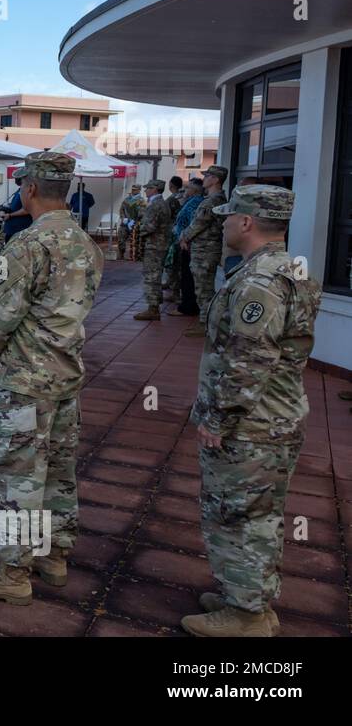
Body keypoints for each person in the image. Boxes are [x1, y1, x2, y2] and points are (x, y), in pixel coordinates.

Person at [0, 152, 104, 604]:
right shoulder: (86, 243)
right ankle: (54, 556)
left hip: (24, 382)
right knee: (58, 470)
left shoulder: (26, 246)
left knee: (14, 475)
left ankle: (12, 572)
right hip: (65, 376)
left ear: (31, 189)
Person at [182, 185, 320, 637]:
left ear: (246, 222)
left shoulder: (260, 282)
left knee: (239, 514)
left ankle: (245, 615)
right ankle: (249, 599)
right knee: (258, 513)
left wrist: (218, 419)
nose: (221, 223)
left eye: (228, 217)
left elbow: (248, 360)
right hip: (273, 418)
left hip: (253, 424)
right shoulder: (288, 271)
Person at [180, 165, 229, 338]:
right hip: (206, 249)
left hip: (205, 250)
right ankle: (208, 322)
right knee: (204, 288)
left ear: (215, 179)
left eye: (207, 176)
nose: (204, 179)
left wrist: (184, 237)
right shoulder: (218, 199)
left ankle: (206, 324)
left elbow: (198, 224)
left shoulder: (212, 201)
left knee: (203, 289)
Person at [133, 178, 172, 321]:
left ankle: (153, 308)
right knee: (155, 275)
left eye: (148, 188)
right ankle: (154, 305)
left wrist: (137, 228)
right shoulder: (161, 203)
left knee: (152, 276)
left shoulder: (155, 205)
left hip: (155, 245)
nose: (145, 190)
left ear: (155, 189)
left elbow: (149, 227)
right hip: (159, 244)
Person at [171, 180, 205, 317]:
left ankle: (187, 306)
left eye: (187, 188)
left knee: (188, 277)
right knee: (186, 275)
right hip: (184, 242)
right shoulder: (191, 201)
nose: (185, 190)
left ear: (195, 190)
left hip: (188, 244)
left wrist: (185, 239)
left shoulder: (195, 202)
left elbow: (193, 223)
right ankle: (187, 305)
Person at [0, 174, 32, 243]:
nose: (15, 179)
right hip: (11, 229)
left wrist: (10, 215)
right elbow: (15, 206)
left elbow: (27, 209)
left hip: (19, 230)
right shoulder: (19, 190)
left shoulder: (28, 190)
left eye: (17, 177)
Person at [118, 185, 145, 260]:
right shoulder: (127, 199)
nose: (133, 191)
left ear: (139, 190)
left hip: (135, 223)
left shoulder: (141, 201)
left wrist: (134, 220)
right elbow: (121, 210)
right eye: (133, 189)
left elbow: (142, 213)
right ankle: (121, 254)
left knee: (135, 240)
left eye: (135, 189)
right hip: (125, 223)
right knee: (121, 237)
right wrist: (123, 218)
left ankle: (134, 256)